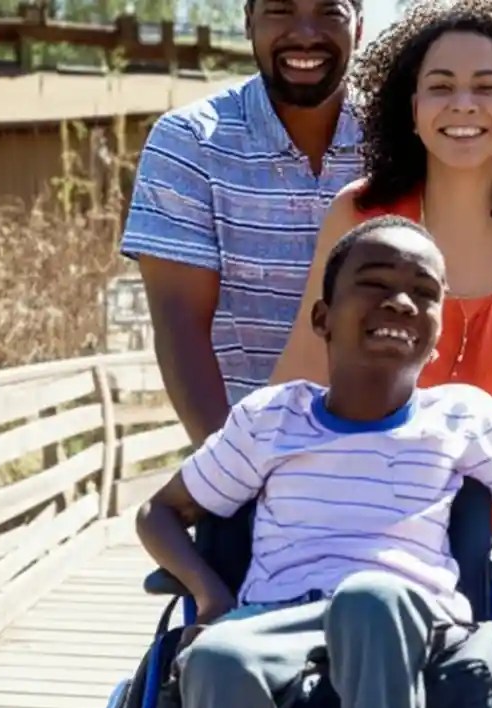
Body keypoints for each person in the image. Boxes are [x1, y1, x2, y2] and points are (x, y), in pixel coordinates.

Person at [268, 0, 492, 658]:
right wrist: (238, 477)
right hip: (385, 499)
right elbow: (306, 365)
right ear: (410, 103)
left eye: (487, 87)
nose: (463, 106)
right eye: (440, 87)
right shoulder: (359, 214)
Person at [136, 216, 492, 708]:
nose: (401, 302)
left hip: (408, 615)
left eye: (424, 292)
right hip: (278, 618)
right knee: (217, 657)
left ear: (436, 335)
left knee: (367, 597)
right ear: (322, 318)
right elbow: (157, 513)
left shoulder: (465, 417)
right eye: (373, 283)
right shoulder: (270, 418)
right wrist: (210, 596)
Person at [118, 0, 365, 447]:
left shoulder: (402, 141)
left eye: (330, 12)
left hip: (394, 467)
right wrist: (234, 474)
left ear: (360, 28)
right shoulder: (188, 144)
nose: (305, 33)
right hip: (247, 458)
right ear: (249, 22)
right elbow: (181, 330)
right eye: (280, 11)